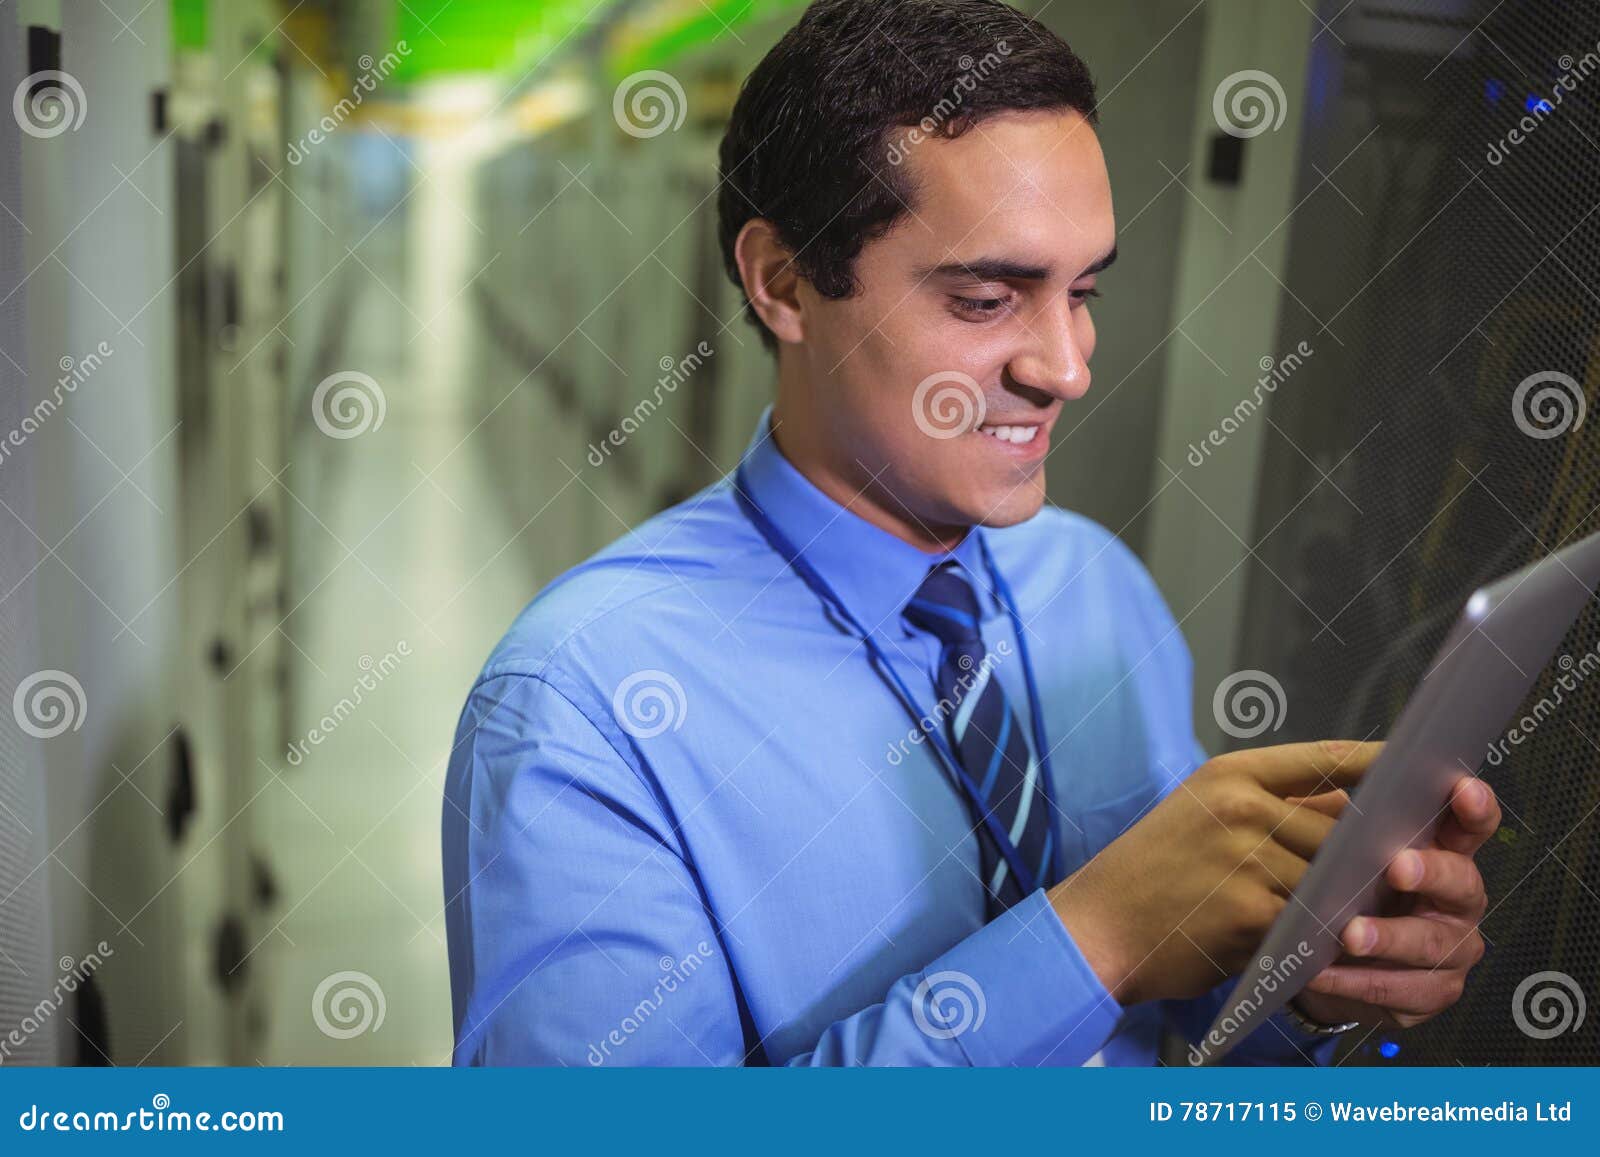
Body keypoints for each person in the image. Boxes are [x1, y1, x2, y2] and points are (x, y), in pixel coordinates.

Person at [441, 0, 1497, 1066]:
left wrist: (1319, 976)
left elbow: (1189, 1000)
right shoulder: (582, 704)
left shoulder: (1091, 583)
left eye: (1080, 292)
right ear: (783, 282)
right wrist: (1097, 936)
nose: (1066, 367)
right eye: (989, 298)